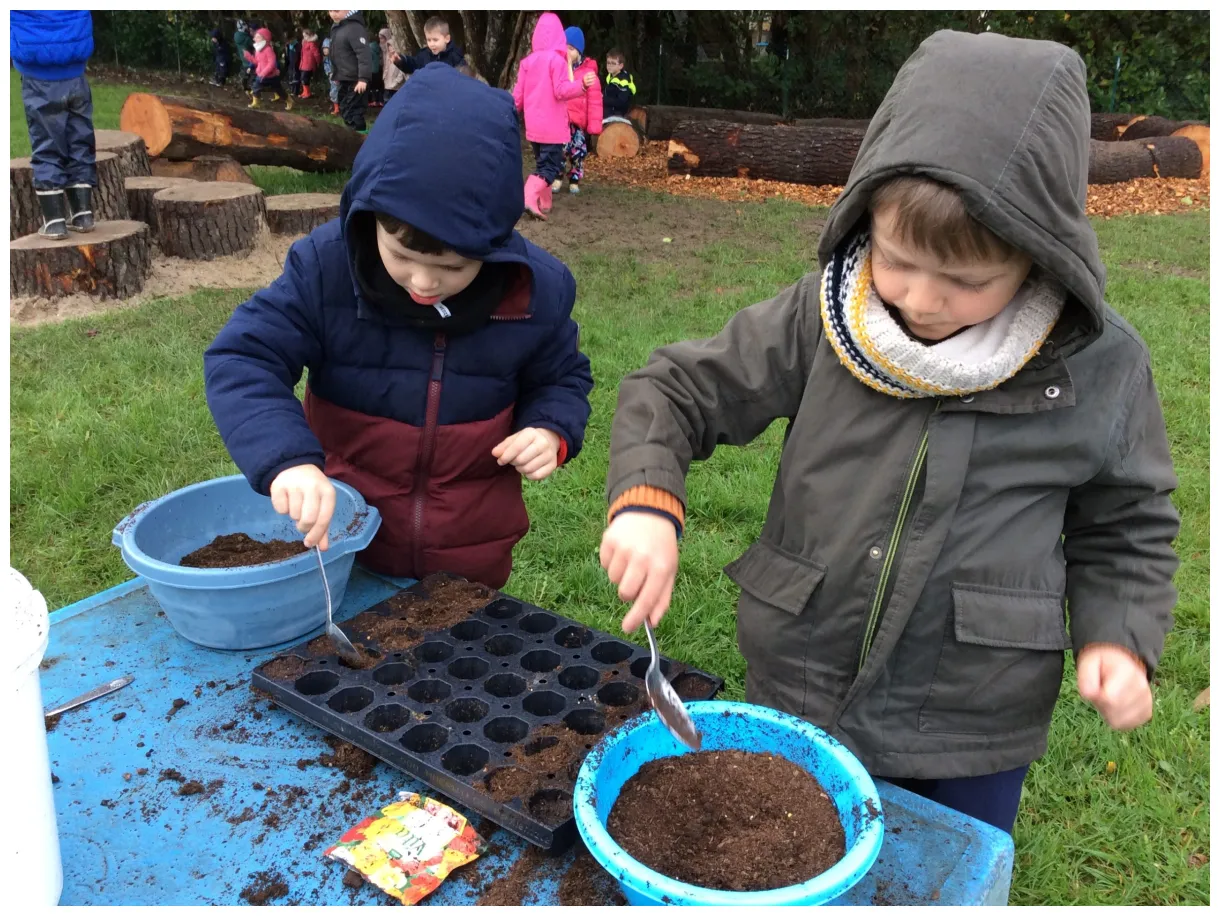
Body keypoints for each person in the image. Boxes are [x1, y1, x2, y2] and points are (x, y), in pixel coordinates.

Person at [598, 30, 1179, 836]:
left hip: (972, 719)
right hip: (802, 676)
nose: (922, 297)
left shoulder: (1101, 367)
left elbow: (1128, 524)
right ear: (864, 217)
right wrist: (647, 499)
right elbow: (679, 387)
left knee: (943, 870)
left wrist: (1118, 636)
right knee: (787, 851)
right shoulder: (824, 316)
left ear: (1042, 256)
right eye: (898, 258)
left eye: (967, 280)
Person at [203, 64, 594, 590]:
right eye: (403, 255)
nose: (425, 281)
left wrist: (551, 427)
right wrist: (288, 461)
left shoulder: (535, 291)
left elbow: (562, 377)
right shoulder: (326, 269)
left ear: (495, 243)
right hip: (344, 543)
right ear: (370, 220)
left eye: (455, 267)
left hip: (470, 553)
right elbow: (243, 358)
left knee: (456, 660)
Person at [11, 10, 98, 240]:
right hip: (76, 71)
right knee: (79, 139)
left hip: (38, 74)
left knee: (47, 143)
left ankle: (54, 221)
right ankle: (83, 214)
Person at [511, 13, 595, 220]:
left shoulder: (527, 62)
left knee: (542, 164)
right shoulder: (557, 61)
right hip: (553, 128)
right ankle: (528, 196)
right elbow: (561, 90)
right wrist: (581, 86)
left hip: (533, 127)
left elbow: (518, 95)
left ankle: (545, 203)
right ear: (559, 36)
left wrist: (509, 112)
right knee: (550, 167)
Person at [557, 26, 602, 196]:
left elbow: (595, 100)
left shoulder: (589, 73)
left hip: (577, 122)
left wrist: (594, 126)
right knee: (558, 151)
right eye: (565, 47)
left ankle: (575, 179)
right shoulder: (557, 67)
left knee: (578, 152)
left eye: (571, 48)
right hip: (560, 120)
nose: (567, 52)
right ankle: (557, 176)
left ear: (579, 51)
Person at [327, 10, 371, 132]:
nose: (333, 13)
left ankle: (361, 140)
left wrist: (363, 79)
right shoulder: (337, 27)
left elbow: (364, 55)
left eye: (336, 10)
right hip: (343, 78)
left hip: (356, 80)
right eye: (330, 10)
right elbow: (335, 53)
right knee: (344, 108)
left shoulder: (355, 28)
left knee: (354, 111)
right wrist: (335, 73)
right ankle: (352, 137)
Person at [392, 15, 465, 75]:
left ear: (447, 39)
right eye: (429, 40)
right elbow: (413, 65)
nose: (431, 44)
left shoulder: (456, 56)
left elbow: (463, 77)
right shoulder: (424, 55)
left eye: (435, 40)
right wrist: (401, 61)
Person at [243, 28, 293, 111]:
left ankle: (289, 100)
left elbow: (272, 63)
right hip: (261, 75)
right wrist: (249, 57)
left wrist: (264, 72)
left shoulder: (268, 50)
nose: (254, 39)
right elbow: (257, 62)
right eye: (255, 37)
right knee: (255, 87)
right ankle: (256, 103)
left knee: (278, 90)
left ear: (265, 38)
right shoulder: (258, 50)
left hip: (271, 75)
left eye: (258, 37)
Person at [602, 48, 636, 120]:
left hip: (616, 114)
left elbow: (621, 102)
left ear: (620, 66)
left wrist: (602, 99)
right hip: (608, 110)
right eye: (608, 63)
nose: (610, 65)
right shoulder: (610, 77)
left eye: (613, 63)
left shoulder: (623, 81)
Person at [379, 27, 405, 103]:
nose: (381, 41)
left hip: (396, 86)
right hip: (388, 84)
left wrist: (396, 81)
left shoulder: (399, 55)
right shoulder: (386, 53)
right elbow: (386, 68)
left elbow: (402, 70)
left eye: (382, 38)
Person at [299, 29, 321, 100]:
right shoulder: (305, 43)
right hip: (304, 63)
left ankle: (307, 92)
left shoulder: (312, 44)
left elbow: (316, 54)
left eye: (306, 36)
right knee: (303, 78)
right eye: (303, 36)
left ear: (310, 35)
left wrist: (318, 62)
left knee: (305, 78)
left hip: (309, 64)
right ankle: (304, 92)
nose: (304, 38)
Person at [233, 19, 255, 91]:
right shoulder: (247, 38)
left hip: (242, 56)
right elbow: (254, 45)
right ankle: (252, 86)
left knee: (245, 71)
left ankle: (244, 84)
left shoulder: (236, 35)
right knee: (253, 73)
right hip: (249, 57)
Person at [322, 38, 340, 115]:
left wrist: (337, 75)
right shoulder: (326, 59)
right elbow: (326, 67)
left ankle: (338, 108)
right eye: (324, 49)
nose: (325, 51)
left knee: (335, 92)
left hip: (337, 78)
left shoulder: (336, 58)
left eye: (327, 49)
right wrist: (329, 73)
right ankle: (337, 108)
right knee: (333, 92)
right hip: (332, 78)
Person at [367, 32, 383, 108]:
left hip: (370, 70)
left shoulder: (369, 48)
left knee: (370, 87)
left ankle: (371, 101)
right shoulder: (378, 47)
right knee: (378, 87)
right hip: (378, 69)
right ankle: (378, 101)